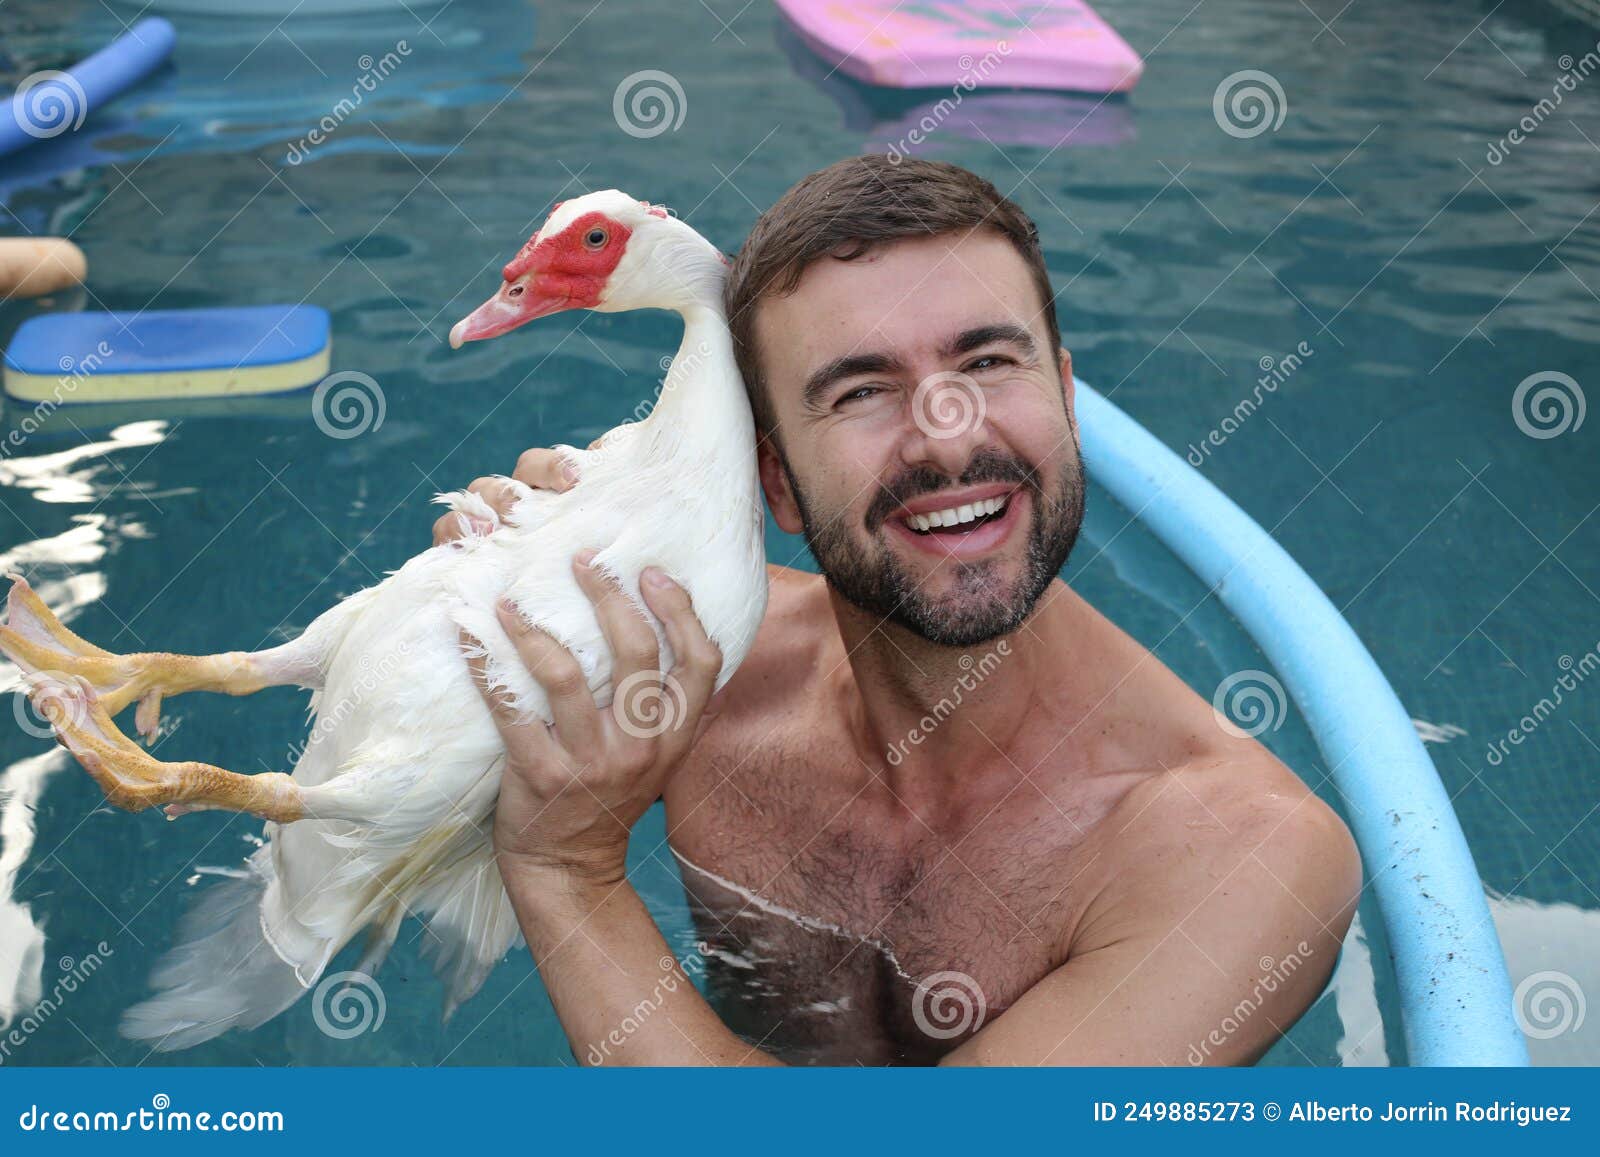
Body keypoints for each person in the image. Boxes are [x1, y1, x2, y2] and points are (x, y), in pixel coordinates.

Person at [434, 156, 1361, 1066]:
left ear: (1069, 405)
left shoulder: (1242, 853)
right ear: (776, 485)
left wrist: (568, 875)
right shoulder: (696, 671)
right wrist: (503, 599)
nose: (950, 435)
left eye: (988, 361)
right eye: (863, 391)